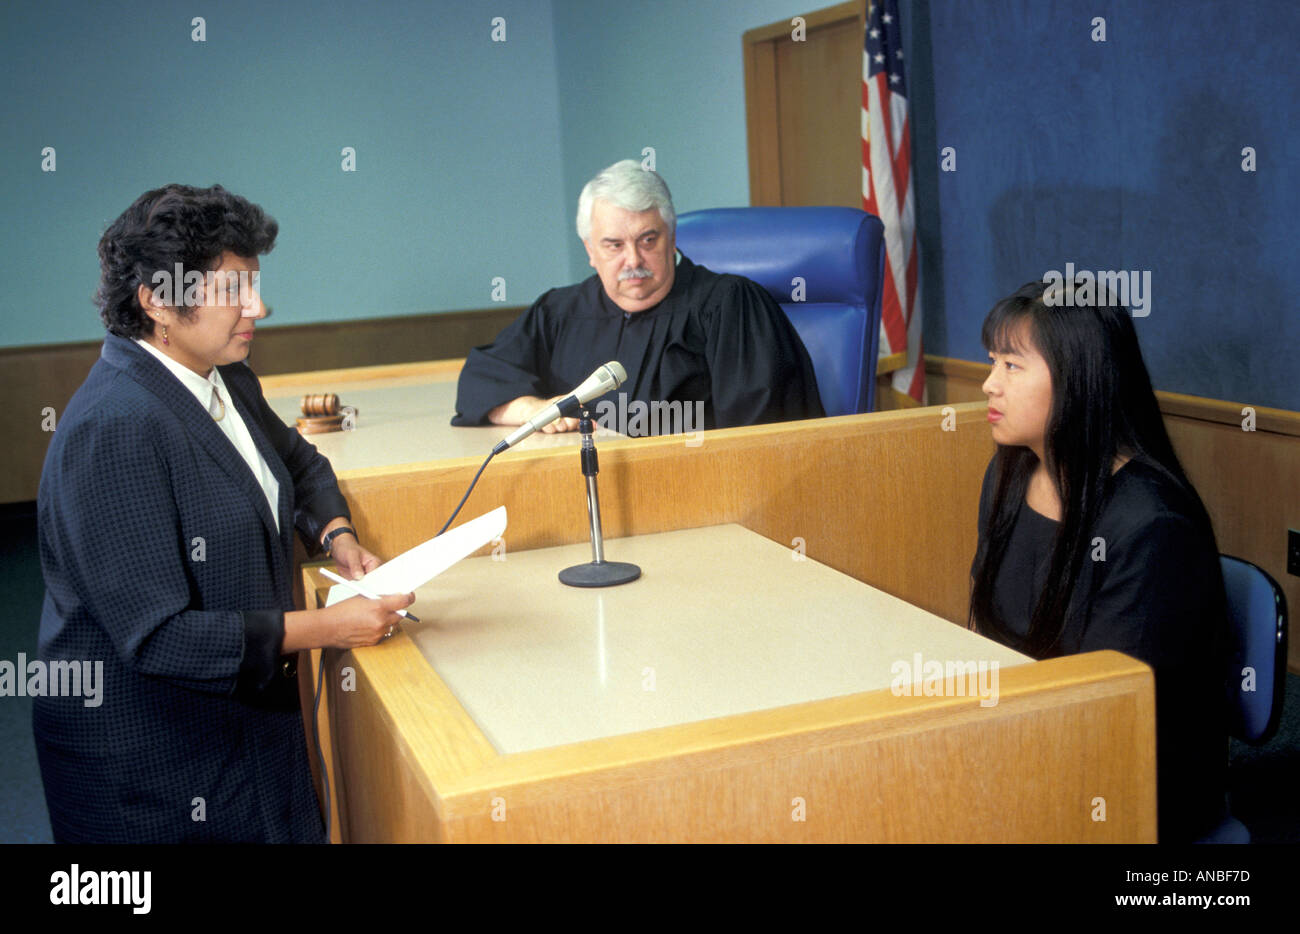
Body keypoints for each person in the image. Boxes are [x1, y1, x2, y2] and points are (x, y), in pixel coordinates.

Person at [34, 184, 414, 843]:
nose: (258, 308)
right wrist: (326, 627)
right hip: (153, 765)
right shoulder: (112, 427)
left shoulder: (223, 373)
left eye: (254, 285)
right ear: (157, 302)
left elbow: (299, 464)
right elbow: (160, 637)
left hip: (245, 730)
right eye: (233, 290)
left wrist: (337, 535)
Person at [969, 278, 1228, 843]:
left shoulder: (1153, 525)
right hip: (1030, 735)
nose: (989, 383)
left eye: (1012, 366)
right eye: (992, 362)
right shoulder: (1010, 474)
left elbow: (1108, 716)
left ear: (1079, 379)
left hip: (1126, 782)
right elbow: (988, 635)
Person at [452, 159, 824, 435]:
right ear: (590, 250)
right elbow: (480, 380)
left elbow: (764, 440)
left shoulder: (731, 306)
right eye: (614, 245)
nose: (633, 260)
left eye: (647, 240)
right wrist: (534, 410)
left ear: (672, 238)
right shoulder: (559, 312)